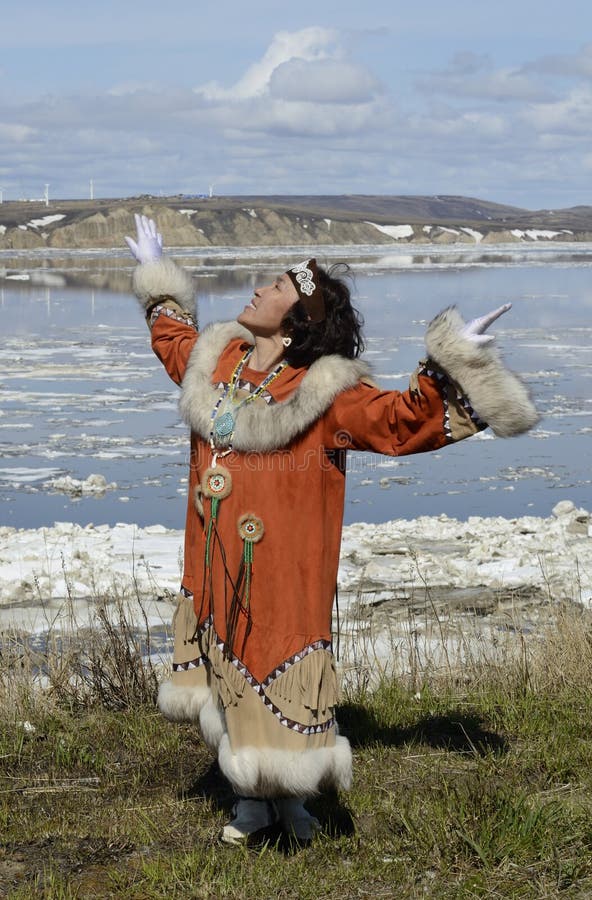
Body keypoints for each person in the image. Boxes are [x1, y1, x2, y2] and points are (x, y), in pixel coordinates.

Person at [125, 214, 538, 844]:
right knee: (229, 663)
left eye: (277, 290)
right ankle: (252, 798)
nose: (260, 290)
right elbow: (177, 344)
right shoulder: (223, 359)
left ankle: (288, 800)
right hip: (216, 560)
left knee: (279, 659)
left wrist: (457, 362)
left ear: (296, 325)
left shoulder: (325, 393)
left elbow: (402, 420)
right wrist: (159, 287)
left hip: (285, 566)